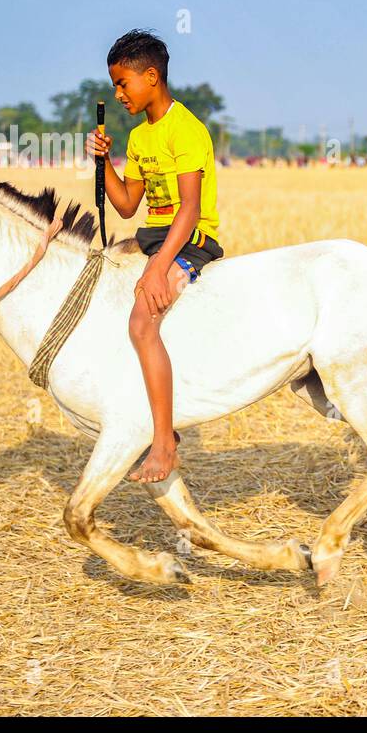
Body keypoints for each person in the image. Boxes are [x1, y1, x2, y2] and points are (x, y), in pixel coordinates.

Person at [85, 29, 224, 481]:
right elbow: (126, 204)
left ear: (152, 75)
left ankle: (165, 441)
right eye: (114, 87)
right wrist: (103, 162)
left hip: (190, 240)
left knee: (142, 322)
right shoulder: (141, 139)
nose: (119, 94)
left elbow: (191, 209)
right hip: (153, 239)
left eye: (123, 83)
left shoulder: (185, 130)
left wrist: (158, 269)